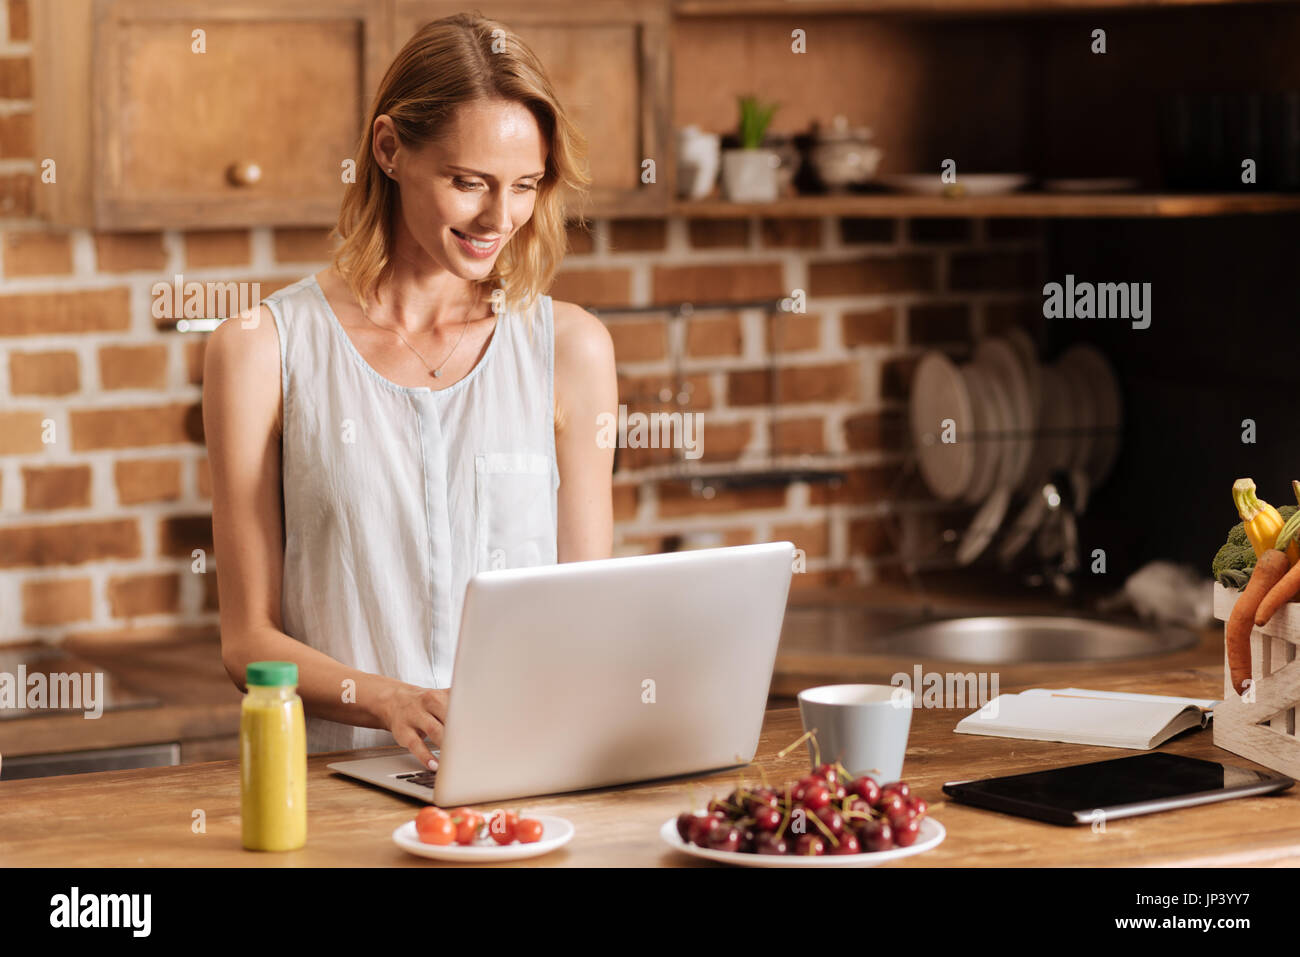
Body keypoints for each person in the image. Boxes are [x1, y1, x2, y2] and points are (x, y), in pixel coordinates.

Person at [203, 13, 617, 770]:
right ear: (390, 149)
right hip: (337, 795)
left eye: (525, 186)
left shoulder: (572, 349)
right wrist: (389, 699)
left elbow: (583, 617)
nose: (500, 219)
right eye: (469, 183)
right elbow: (247, 644)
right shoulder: (260, 350)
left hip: (522, 789)